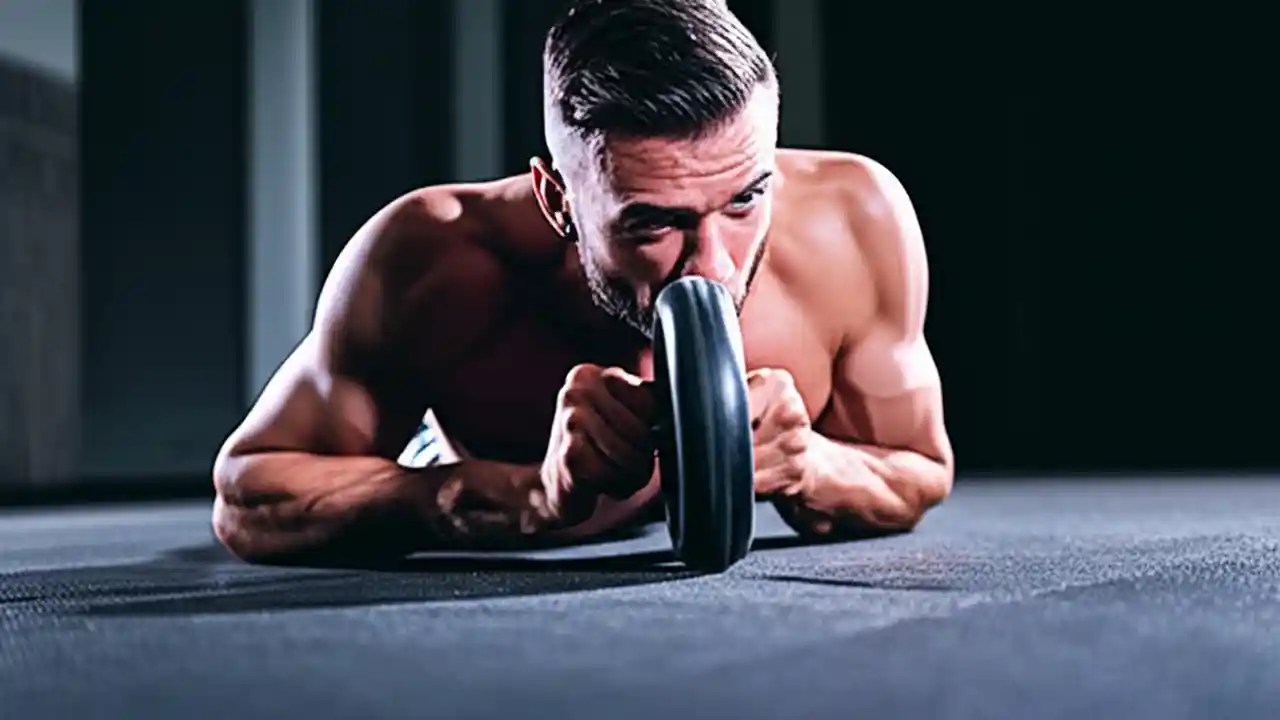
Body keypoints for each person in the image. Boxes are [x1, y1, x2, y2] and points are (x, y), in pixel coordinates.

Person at [211, 0, 954, 564]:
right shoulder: (433, 257)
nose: (714, 268)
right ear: (558, 198)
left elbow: (918, 470)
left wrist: (812, 463)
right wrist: (514, 495)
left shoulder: (856, 218)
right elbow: (248, 492)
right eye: (651, 224)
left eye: (745, 199)